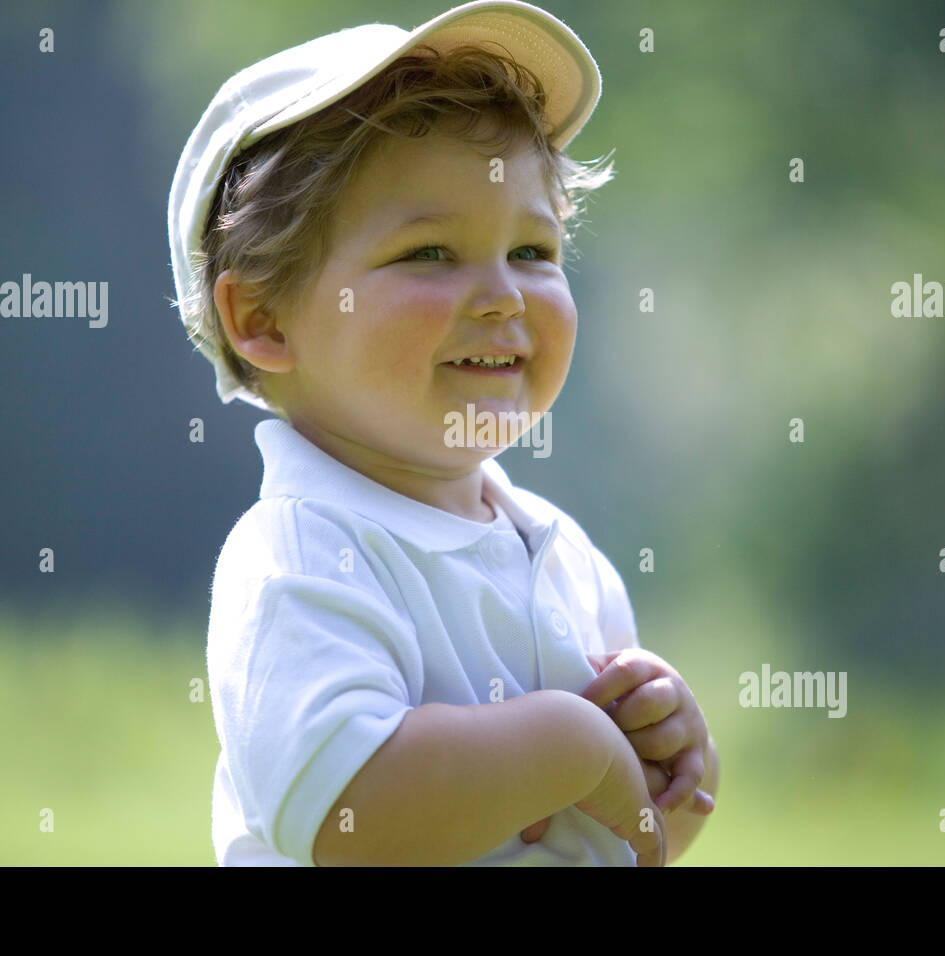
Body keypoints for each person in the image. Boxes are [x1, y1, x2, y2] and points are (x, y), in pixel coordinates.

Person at [167, 0, 717, 866]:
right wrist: (568, 745)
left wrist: (670, 769)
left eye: (533, 252)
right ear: (264, 317)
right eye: (430, 253)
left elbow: (631, 839)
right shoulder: (300, 556)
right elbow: (354, 819)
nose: (503, 294)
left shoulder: (564, 555)